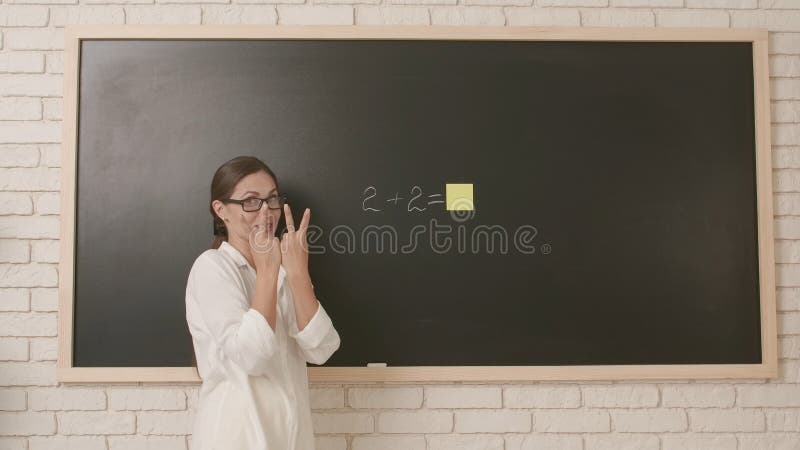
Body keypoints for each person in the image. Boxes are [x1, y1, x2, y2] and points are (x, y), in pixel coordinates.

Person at [185, 155, 341, 450]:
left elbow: (322, 348)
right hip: (237, 439)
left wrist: (297, 274)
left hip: (290, 438)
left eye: (272, 200)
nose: (267, 212)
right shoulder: (212, 268)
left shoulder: (285, 271)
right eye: (251, 202)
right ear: (221, 210)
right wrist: (268, 271)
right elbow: (252, 356)